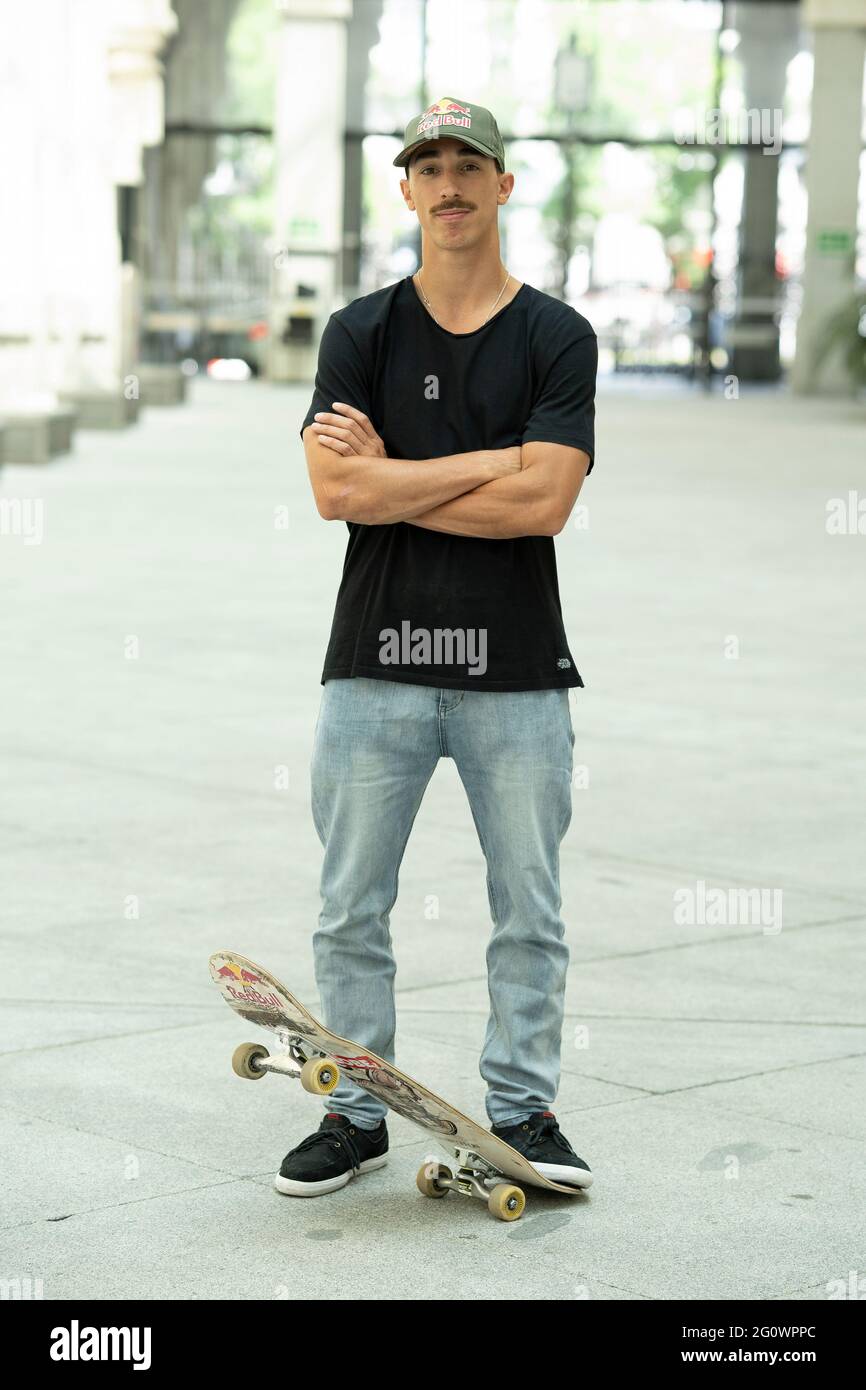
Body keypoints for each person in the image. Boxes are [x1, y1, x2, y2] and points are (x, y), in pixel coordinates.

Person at [279, 97, 597, 1198]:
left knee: (529, 912)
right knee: (350, 906)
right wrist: (495, 459)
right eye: (429, 167)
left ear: (504, 186)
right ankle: (352, 1109)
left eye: (471, 165)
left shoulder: (555, 335)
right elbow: (333, 491)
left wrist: (396, 483)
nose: (450, 184)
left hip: (516, 673)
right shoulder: (359, 332)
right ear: (405, 191)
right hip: (374, 664)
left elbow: (544, 506)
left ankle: (524, 1109)